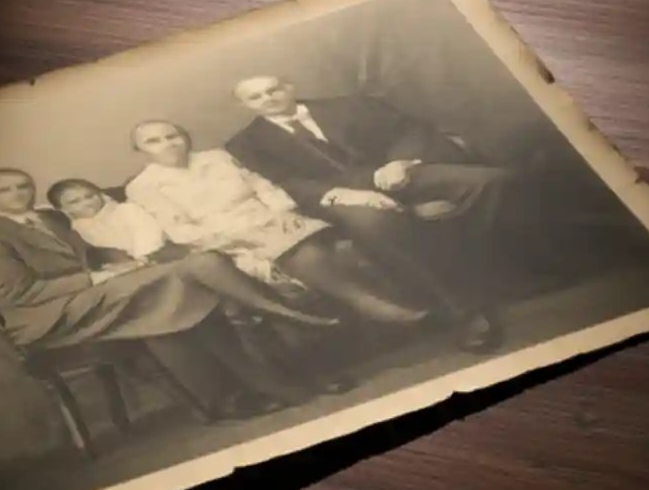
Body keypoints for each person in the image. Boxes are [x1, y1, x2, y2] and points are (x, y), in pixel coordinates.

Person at [0, 167, 325, 416]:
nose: (17, 194)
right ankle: (281, 322)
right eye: (4, 189)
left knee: (172, 292)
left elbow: (104, 240)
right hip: (53, 316)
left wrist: (126, 261)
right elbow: (11, 294)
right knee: (181, 278)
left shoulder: (55, 218)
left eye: (22, 185)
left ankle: (252, 391)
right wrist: (94, 279)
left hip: (109, 292)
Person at [222, 75, 511, 349]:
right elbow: (283, 182)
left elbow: (408, 130)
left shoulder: (349, 103)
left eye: (274, 89)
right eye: (256, 96)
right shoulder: (244, 144)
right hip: (339, 201)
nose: (268, 98)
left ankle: (491, 267)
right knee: (375, 223)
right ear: (244, 105)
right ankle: (461, 309)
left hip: (396, 175)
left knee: (490, 182)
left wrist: (399, 162)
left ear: (289, 86)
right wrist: (349, 196)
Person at [123, 120, 431, 325]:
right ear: (140, 152)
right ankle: (365, 303)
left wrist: (282, 212)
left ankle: (371, 302)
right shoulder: (143, 186)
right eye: (153, 141)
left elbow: (262, 186)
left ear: (185, 138)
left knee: (299, 234)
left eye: (172, 136)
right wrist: (242, 236)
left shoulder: (216, 157)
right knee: (292, 248)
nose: (167, 144)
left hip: (270, 217)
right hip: (226, 239)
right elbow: (180, 230)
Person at [45, 177, 340, 328]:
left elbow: (148, 235)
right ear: (62, 210)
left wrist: (142, 257)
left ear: (100, 194)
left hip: (164, 252)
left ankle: (284, 306)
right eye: (74, 202)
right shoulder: (79, 231)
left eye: (89, 195)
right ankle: (257, 312)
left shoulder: (125, 209)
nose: (86, 204)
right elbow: (99, 255)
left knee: (233, 264)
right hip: (142, 269)